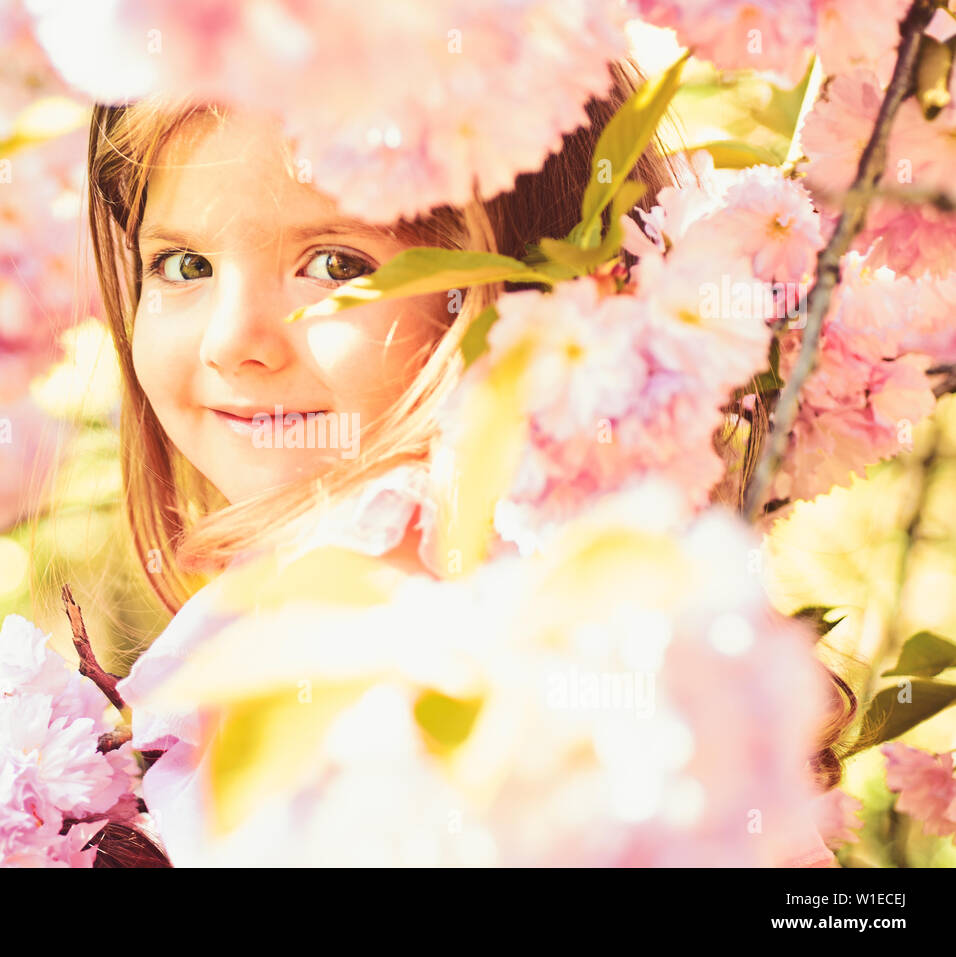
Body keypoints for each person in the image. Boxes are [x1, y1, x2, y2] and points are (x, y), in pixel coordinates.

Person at [84, 60, 846, 866]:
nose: (231, 340)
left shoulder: (410, 600)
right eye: (185, 265)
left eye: (338, 264)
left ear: (515, 291)